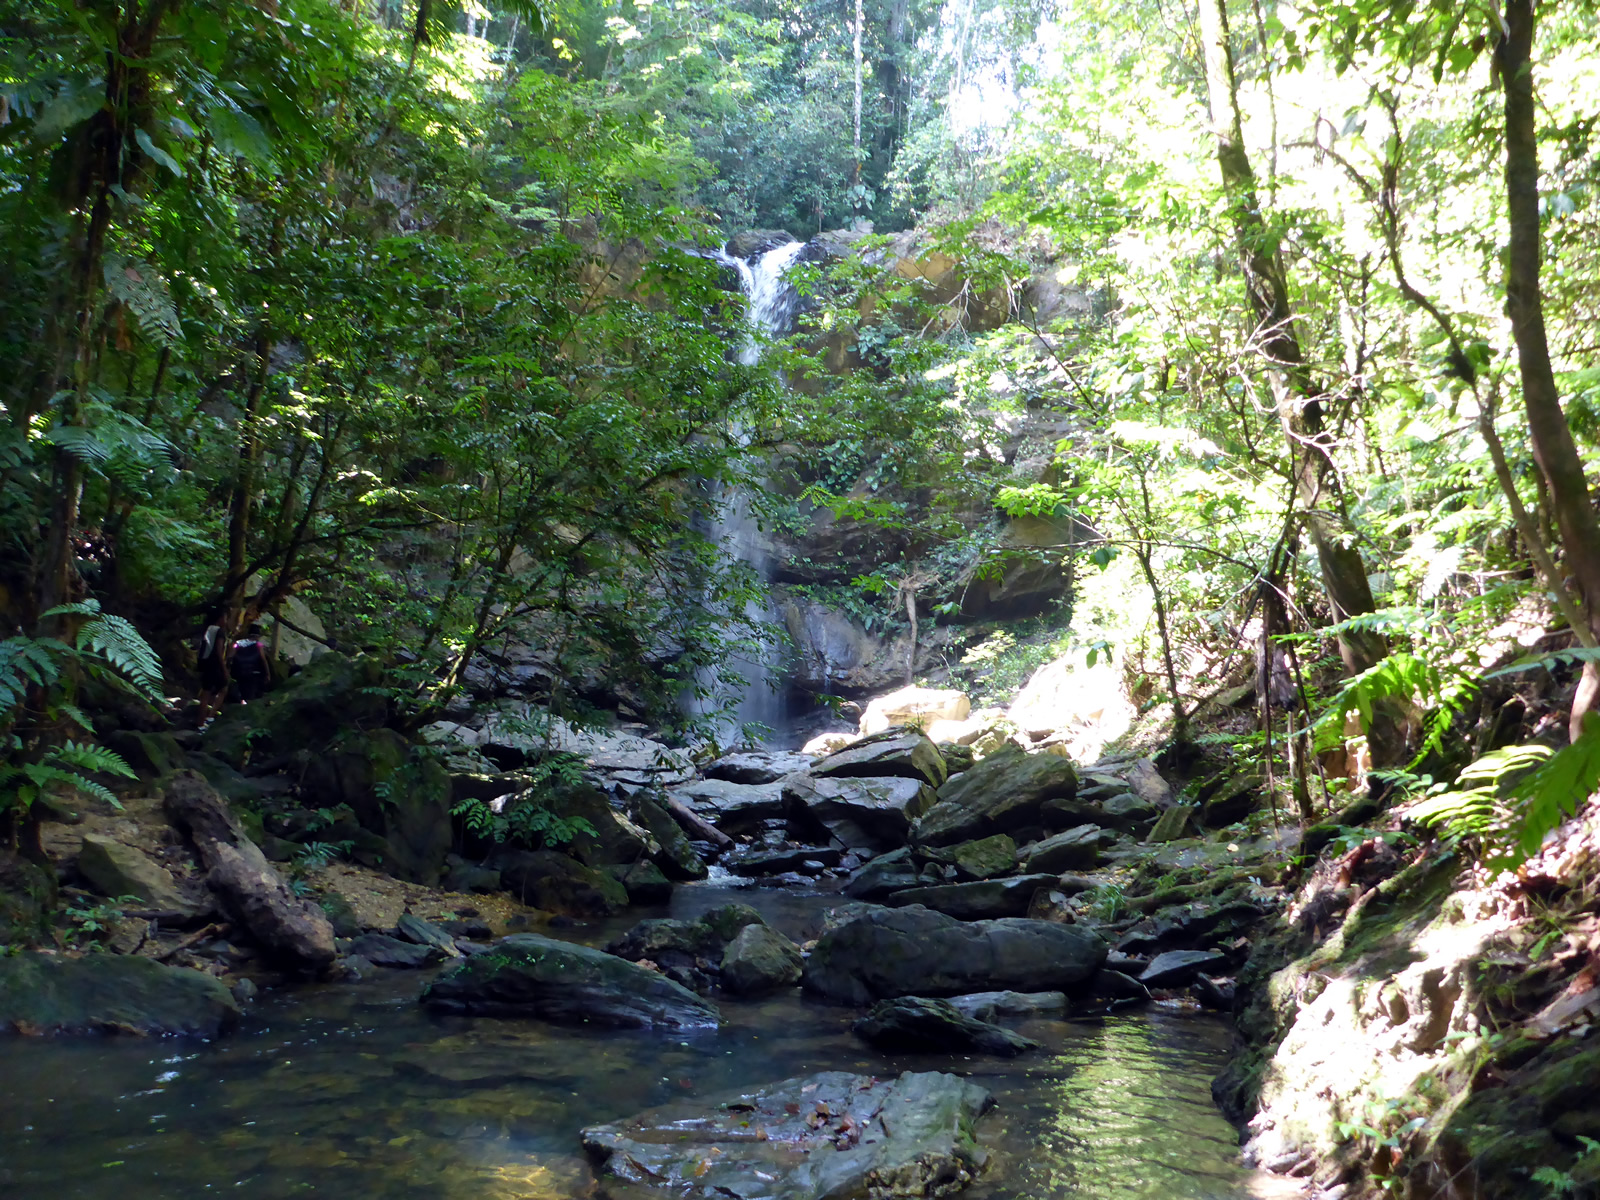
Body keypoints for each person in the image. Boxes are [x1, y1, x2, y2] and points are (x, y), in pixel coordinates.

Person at [231, 623, 273, 703]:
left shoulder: (238, 643)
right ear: (257, 636)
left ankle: (241, 703)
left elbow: (230, 655)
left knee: (241, 692)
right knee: (250, 694)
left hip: (239, 672)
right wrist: (268, 674)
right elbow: (263, 660)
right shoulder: (258, 645)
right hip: (253, 673)